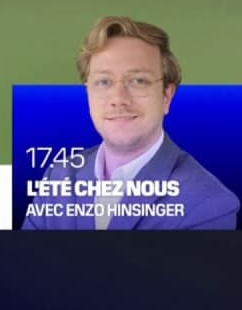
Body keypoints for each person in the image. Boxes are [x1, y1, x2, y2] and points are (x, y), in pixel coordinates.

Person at [22, 16, 239, 230]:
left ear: (166, 96)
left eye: (138, 81)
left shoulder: (208, 204)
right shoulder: (59, 176)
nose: (118, 99)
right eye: (103, 82)